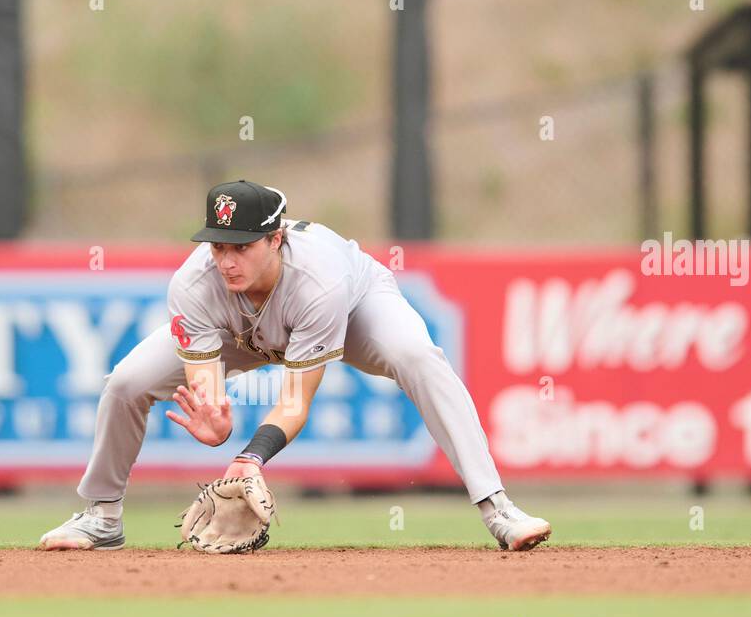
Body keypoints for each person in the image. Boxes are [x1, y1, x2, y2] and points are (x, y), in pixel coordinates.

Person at [38, 179, 551, 552]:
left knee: (418, 356)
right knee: (126, 381)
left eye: (241, 246)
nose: (226, 260)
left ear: (276, 239)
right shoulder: (194, 286)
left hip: (353, 309)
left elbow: (294, 402)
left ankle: (498, 508)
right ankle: (101, 517)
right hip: (241, 329)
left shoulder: (320, 281)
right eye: (217, 246)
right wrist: (216, 425)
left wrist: (250, 458)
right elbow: (207, 392)